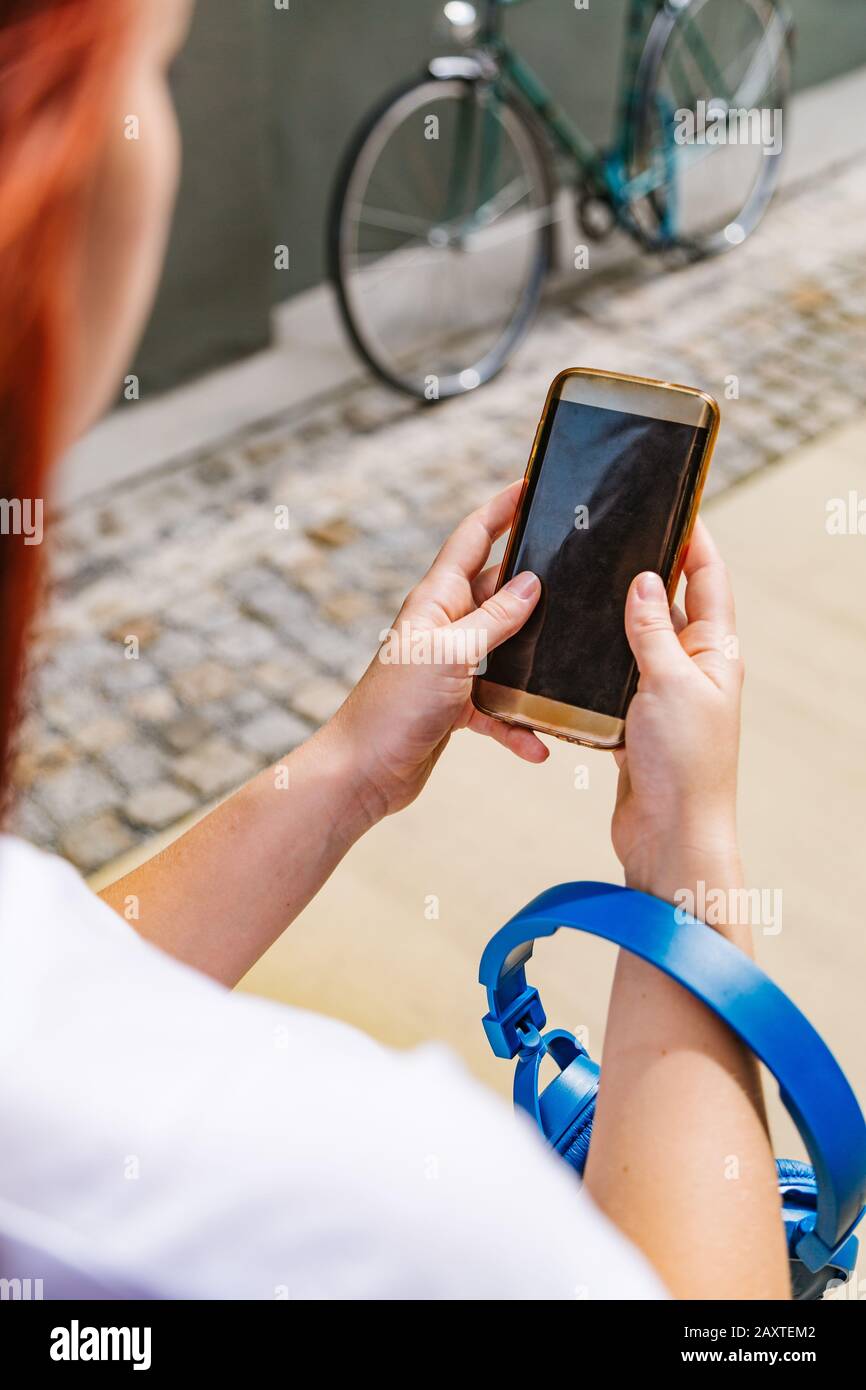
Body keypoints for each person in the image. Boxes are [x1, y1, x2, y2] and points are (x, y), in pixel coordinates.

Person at [0, 0, 789, 1299]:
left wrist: (355, 763)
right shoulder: (376, 1210)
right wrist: (685, 862)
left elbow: (65, 992)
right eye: (154, 70)